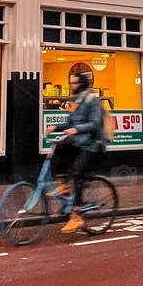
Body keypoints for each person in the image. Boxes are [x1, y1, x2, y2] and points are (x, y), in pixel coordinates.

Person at [50, 63, 107, 233]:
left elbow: (96, 123)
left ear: (81, 84)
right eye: (70, 83)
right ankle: (63, 186)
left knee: (77, 172)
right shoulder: (76, 100)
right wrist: (56, 127)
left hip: (92, 145)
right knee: (58, 147)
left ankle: (76, 217)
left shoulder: (93, 100)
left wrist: (77, 129)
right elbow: (70, 121)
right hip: (78, 141)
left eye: (74, 83)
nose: (71, 86)